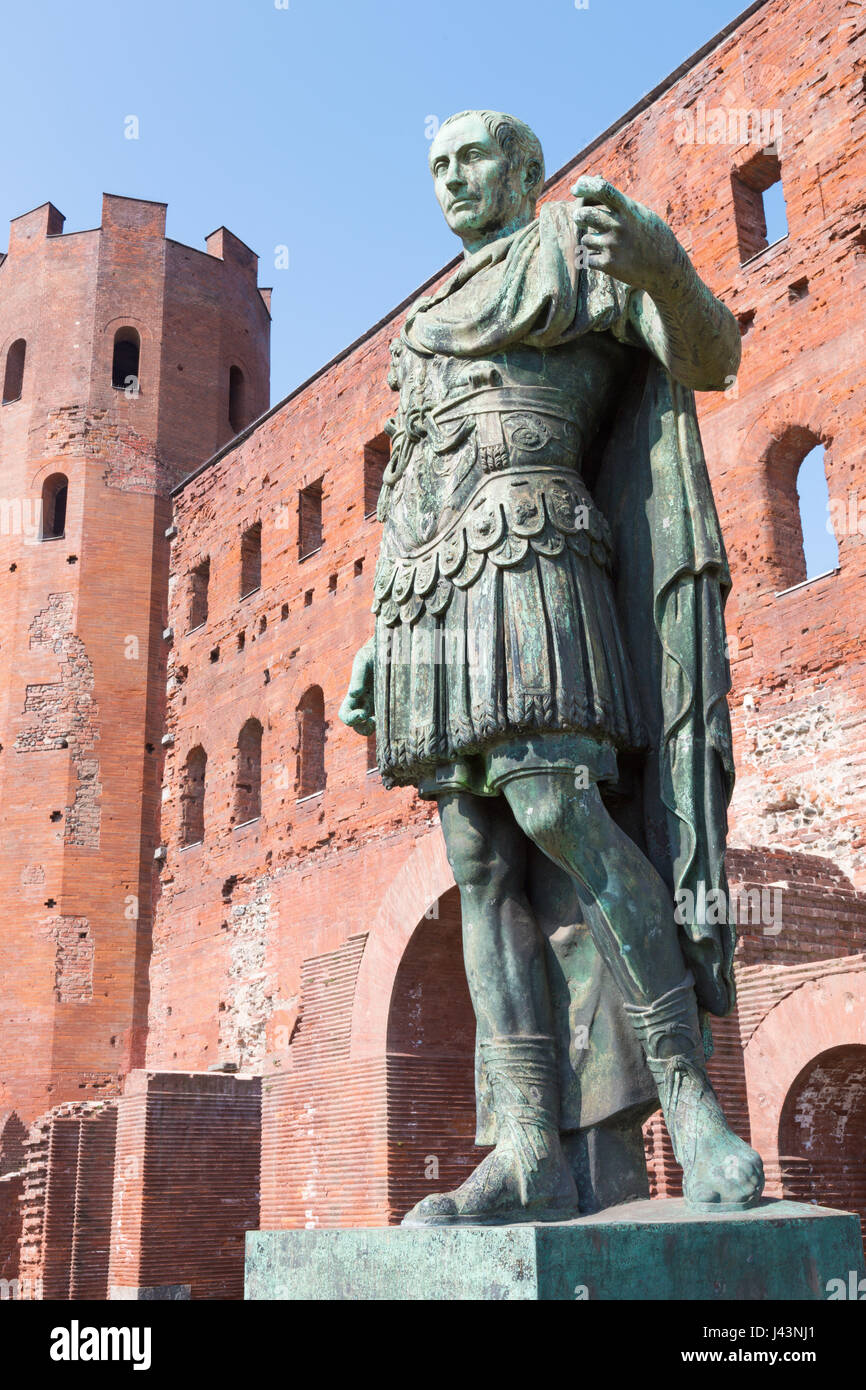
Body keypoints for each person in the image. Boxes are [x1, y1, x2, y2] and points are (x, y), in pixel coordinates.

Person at [340, 110, 764, 1225]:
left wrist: (664, 268)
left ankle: (685, 1095)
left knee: (558, 806)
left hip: (537, 541)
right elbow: (412, 479)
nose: (451, 181)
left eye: (471, 159)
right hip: (431, 586)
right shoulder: (422, 320)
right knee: (476, 862)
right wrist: (380, 637)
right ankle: (526, 1144)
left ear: (523, 169)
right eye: (433, 166)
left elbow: (711, 355)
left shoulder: (576, 248)